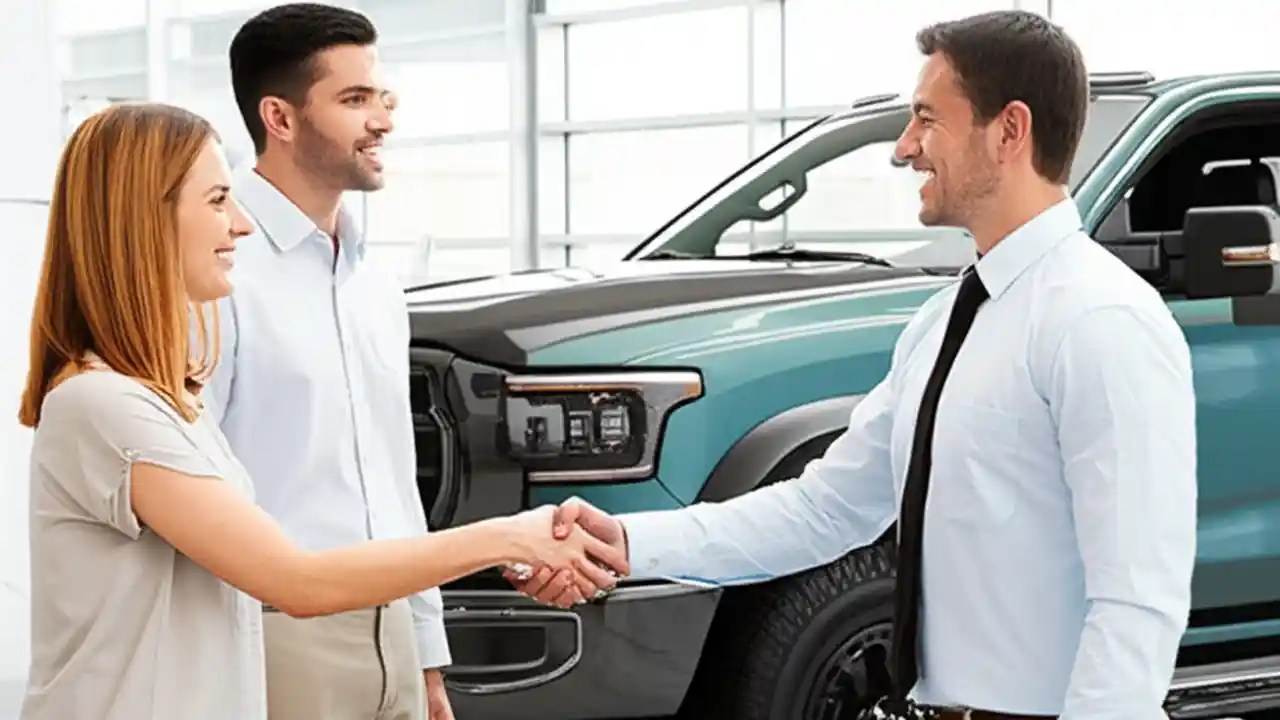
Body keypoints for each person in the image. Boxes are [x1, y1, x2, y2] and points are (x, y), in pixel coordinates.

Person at [508, 10, 1197, 720]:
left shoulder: (1101, 319)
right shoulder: (944, 323)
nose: (905, 148)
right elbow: (825, 508)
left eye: (927, 119)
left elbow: (1137, 598)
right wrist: (627, 541)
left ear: (1009, 130)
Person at [16, 102, 623, 720]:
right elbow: (298, 581)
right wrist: (507, 536)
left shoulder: (165, 403)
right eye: (218, 201)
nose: (241, 225)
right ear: (144, 219)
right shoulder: (106, 407)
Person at [198, 4, 471, 719]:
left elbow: (392, 473)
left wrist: (425, 650)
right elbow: (191, 481)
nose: (382, 120)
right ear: (280, 118)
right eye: (353, 100)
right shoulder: (213, 268)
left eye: (382, 97)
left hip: (393, 635)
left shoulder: (375, 279)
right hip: (274, 636)